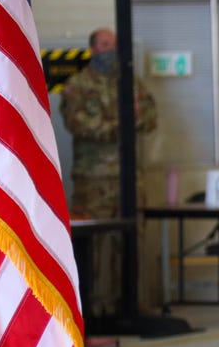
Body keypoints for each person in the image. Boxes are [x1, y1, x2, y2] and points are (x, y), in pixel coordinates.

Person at [59, 27, 158, 219]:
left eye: (115, 45)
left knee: (132, 237)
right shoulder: (77, 85)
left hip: (129, 178)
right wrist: (124, 124)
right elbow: (77, 124)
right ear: (93, 49)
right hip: (93, 181)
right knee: (94, 241)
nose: (112, 50)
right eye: (105, 45)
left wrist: (136, 119)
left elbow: (150, 118)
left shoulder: (131, 82)